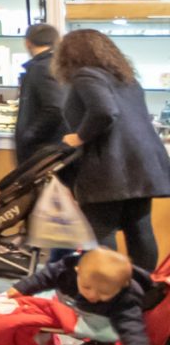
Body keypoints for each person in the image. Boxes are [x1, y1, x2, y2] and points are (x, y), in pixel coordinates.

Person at [57, 29, 170, 273]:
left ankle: (108, 293)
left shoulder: (84, 75)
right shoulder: (126, 78)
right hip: (142, 164)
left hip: (108, 166)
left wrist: (78, 137)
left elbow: (103, 111)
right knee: (139, 228)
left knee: (101, 229)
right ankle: (143, 290)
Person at [16, 245, 160, 345]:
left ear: (122, 287)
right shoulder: (68, 270)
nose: (93, 295)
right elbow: (46, 276)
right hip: (72, 301)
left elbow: (131, 322)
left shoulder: (126, 296)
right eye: (87, 287)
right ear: (77, 271)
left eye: (104, 293)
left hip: (99, 317)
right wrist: (21, 288)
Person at [15, 23, 67, 160]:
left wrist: (29, 136)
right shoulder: (57, 64)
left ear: (27, 43)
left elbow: (55, 108)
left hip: (42, 149)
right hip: (51, 146)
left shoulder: (41, 68)